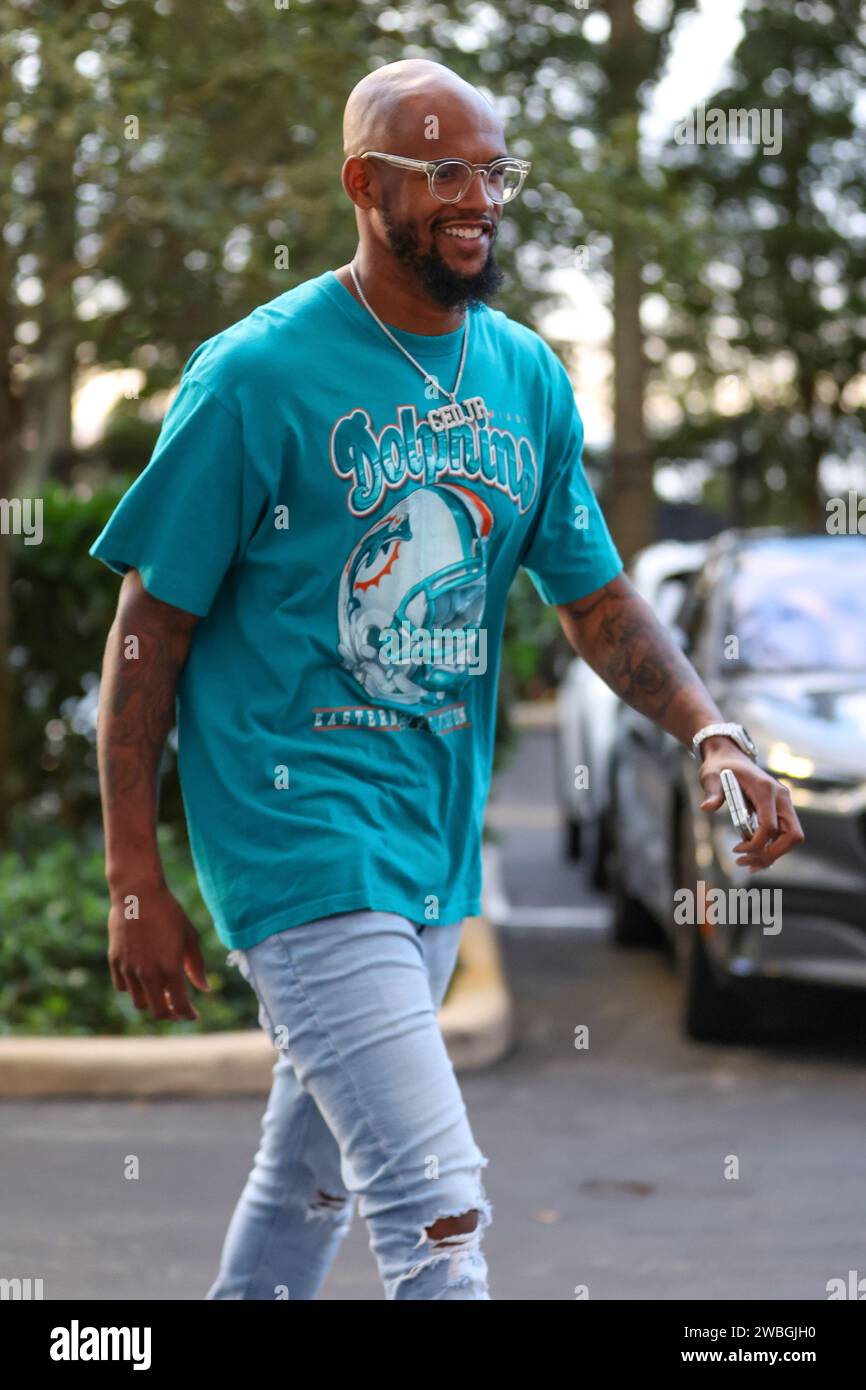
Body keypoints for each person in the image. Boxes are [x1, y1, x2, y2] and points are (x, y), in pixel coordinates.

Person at [89, 58, 804, 1301]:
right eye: (445, 172)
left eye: (493, 171)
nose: (479, 198)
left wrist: (708, 732)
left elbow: (592, 595)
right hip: (300, 839)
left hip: (428, 843)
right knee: (436, 1215)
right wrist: (132, 874)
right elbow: (148, 627)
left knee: (304, 1183)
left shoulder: (522, 373)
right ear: (366, 185)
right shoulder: (255, 375)